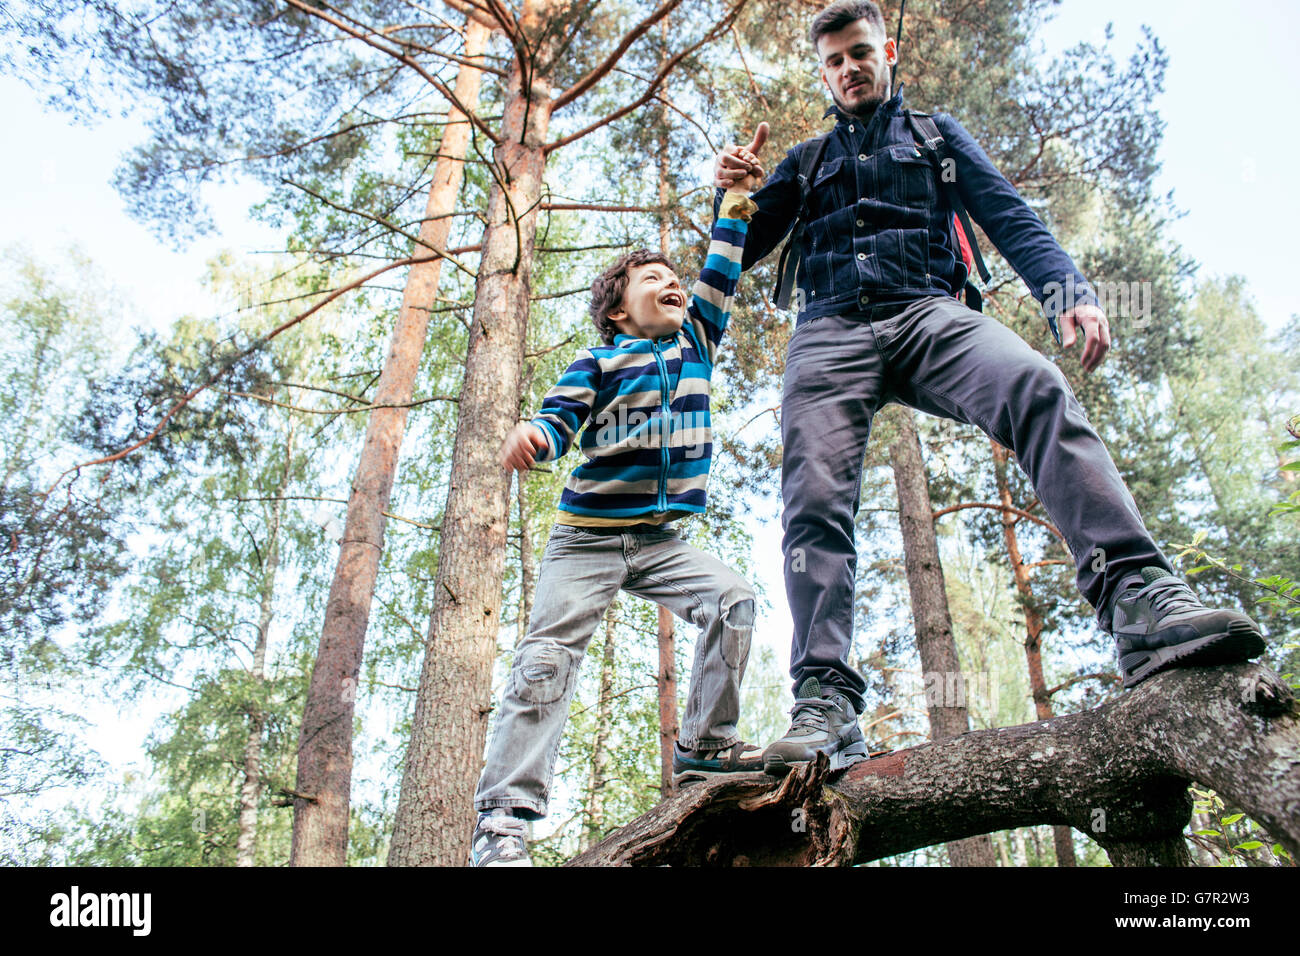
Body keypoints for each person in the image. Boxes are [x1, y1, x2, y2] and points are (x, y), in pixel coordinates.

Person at [711, 0, 1265, 776]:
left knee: (1035, 385)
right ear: (823, 72)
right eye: (834, 61)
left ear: (889, 51)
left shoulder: (936, 137)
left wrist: (1067, 289)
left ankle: (1140, 598)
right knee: (812, 496)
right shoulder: (804, 163)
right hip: (830, 330)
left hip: (929, 311)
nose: (849, 69)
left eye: (861, 53)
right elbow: (735, 251)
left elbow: (1010, 215)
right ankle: (826, 704)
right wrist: (731, 194)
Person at [470, 126, 772, 866]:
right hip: (587, 542)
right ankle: (503, 821)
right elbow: (559, 416)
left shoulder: (697, 338)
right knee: (546, 663)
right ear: (616, 311)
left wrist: (733, 197)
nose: (672, 282)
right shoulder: (600, 361)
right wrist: (536, 437)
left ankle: (704, 746)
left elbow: (722, 268)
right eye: (652, 279)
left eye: (675, 276)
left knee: (733, 601)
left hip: (661, 543)